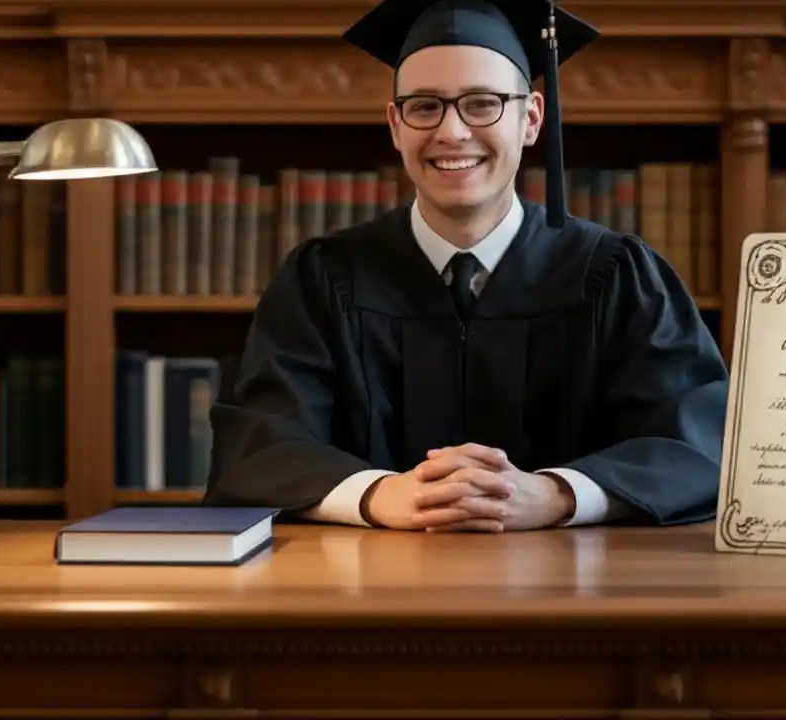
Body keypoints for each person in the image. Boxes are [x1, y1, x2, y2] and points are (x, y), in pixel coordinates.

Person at [203, 0, 730, 532]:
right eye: (425, 106)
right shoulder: (325, 279)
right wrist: (379, 495)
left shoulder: (616, 276)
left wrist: (556, 495)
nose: (452, 132)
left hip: (576, 598)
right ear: (395, 125)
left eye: (482, 104)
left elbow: (696, 444)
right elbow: (258, 446)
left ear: (530, 119)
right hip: (369, 595)